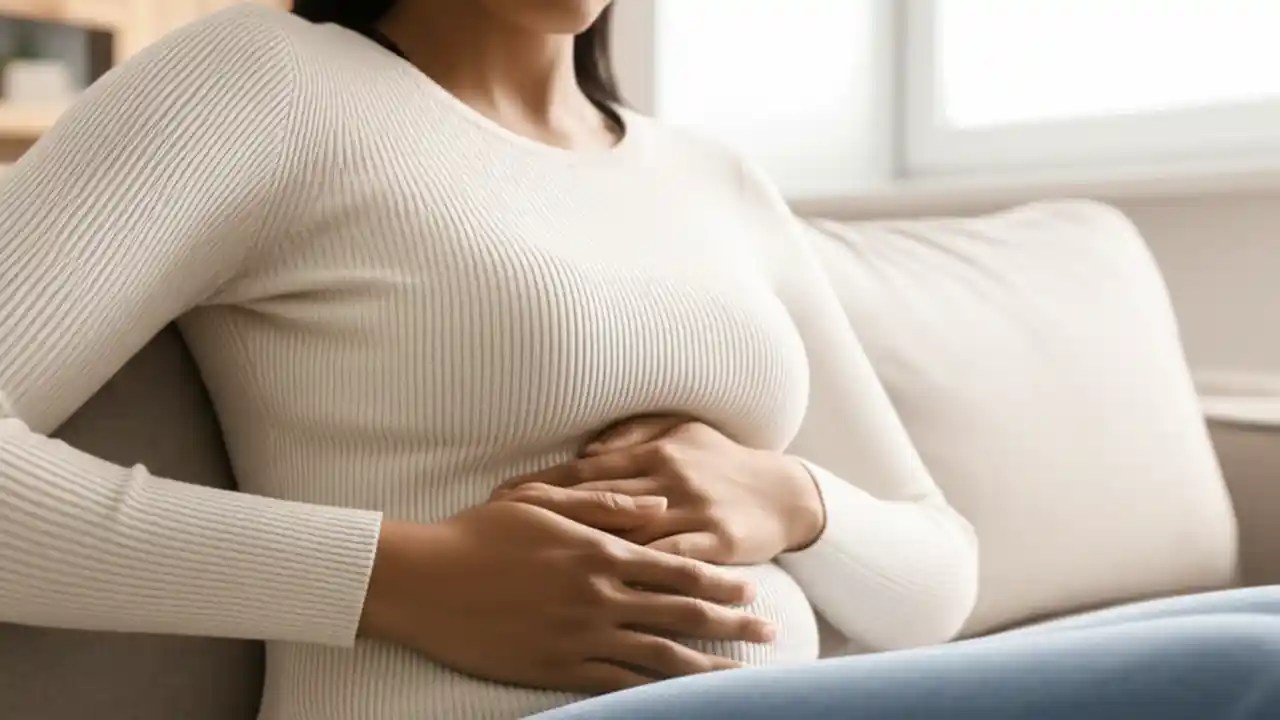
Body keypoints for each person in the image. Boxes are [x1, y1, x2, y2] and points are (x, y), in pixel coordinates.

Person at [0, 2, 1274, 719]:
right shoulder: (260, 84)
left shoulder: (710, 177)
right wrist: (397, 578)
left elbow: (934, 579)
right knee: (1239, 670)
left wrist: (796, 500)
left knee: (1256, 628)